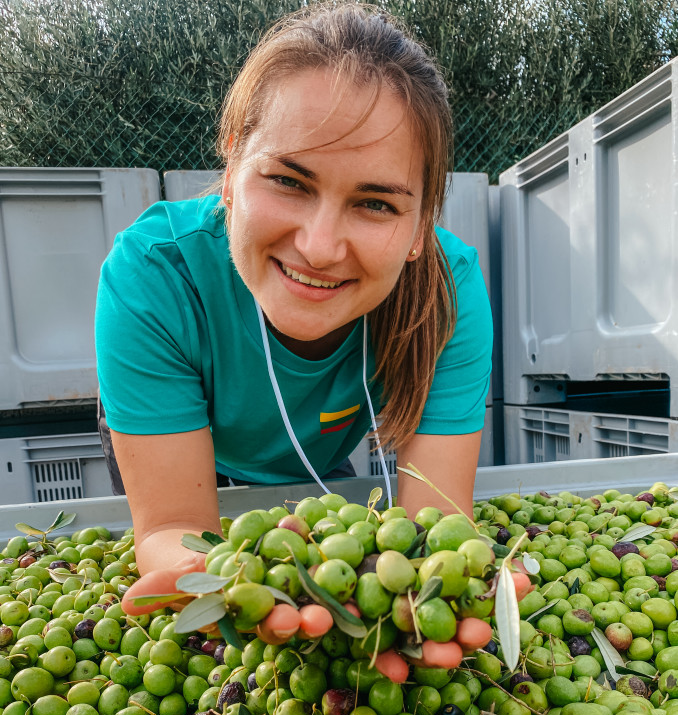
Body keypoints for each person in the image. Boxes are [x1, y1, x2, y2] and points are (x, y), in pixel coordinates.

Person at [95, 2, 493, 599]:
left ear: (420, 228)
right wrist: (233, 585)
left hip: (312, 452)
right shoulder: (154, 275)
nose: (319, 248)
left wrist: (395, 598)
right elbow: (172, 526)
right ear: (232, 167)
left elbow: (433, 526)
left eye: (376, 203)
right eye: (288, 181)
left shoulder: (446, 295)